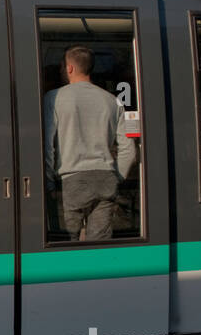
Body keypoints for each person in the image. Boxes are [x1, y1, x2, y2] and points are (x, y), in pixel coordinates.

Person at [44, 46, 136, 241]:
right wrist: (116, 177)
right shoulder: (113, 101)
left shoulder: (53, 98)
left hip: (71, 180)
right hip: (105, 178)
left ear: (69, 68)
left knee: (66, 241)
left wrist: (49, 180)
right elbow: (128, 149)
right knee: (99, 243)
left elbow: (47, 145)